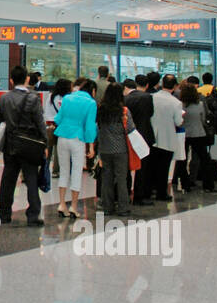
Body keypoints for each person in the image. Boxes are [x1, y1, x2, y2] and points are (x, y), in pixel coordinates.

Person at [0, 65, 50, 225]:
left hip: (11, 143)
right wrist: (45, 143)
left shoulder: (5, 98)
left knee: (8, 179)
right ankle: (33, 215)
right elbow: (40, 123)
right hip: (30, 143)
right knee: (31, 178)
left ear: (12, 80)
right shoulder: (33, 98)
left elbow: (0, 120)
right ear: (27, 78)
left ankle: (5, 213)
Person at [49, 78, 98, 218]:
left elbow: (58, 119)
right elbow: (89, 127)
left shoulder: (67, 98)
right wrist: (91, 146)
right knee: (76, 171)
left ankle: (62, 204)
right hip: (78, 138)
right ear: (93, 90)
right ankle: (74, 207)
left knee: (64, 171)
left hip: (62, 136)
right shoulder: (91, 103)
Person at [94, 84, 135, 215]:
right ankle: (123, 207)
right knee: (121, 178)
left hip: (105, 148)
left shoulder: (101, 109)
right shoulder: (123, 111)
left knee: (107, 178)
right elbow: (130, 128)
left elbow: (98, 128)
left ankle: (107, 207)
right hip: (120, 148)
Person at [149, 75, 184, 202]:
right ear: (175, 86)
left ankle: (149, 190)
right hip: (167, 138)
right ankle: (161, 193)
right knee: (164, 168)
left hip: (152, 137)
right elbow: (178, 121)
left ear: (161, 84)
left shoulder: (152, 97)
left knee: (151, 166)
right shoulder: (176, 103)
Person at [124, 74, 157, 204]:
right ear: (147, 85)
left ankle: (125, 193)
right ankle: (139, 195)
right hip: (144, 134)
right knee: (142, 167)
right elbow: (150, 114)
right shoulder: (147, 97)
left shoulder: (125, 99)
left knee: (126, 166)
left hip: (128, 135)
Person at [182, 82, 216, 191]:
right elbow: (204, 120)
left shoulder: (180, 105)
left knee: (183, 159)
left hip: (184, 135)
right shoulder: (200, 105)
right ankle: (208, 185)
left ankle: (185, 184)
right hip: (199, 133)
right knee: (204, 159)